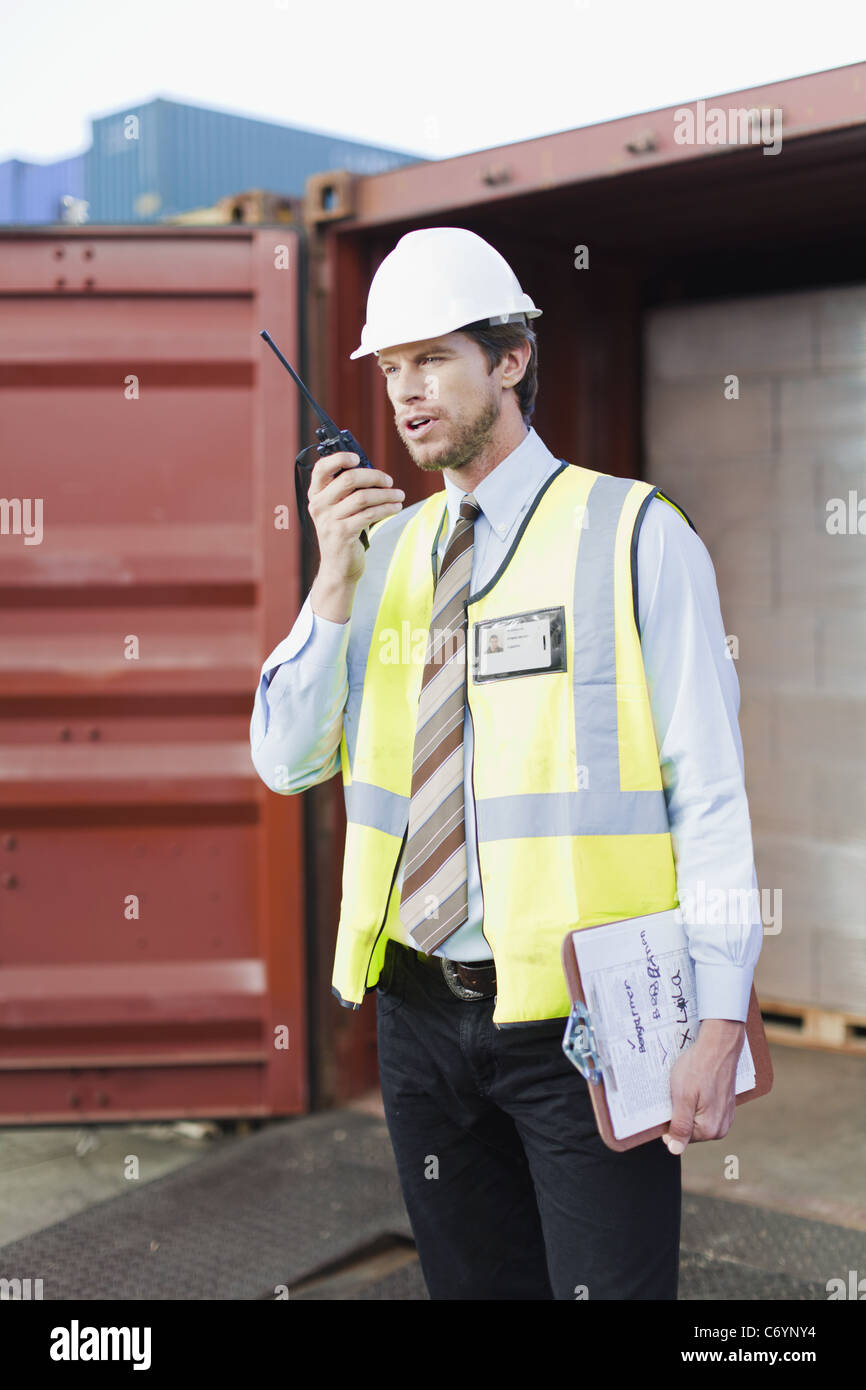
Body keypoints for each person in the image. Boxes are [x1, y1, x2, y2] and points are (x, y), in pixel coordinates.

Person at [249, 227, 764, 1300]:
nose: (405, 393)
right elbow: (285, 761)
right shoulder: (379, 558)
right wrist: (329, 585)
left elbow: (707, 792)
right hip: (417, 1019)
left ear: (511, 359)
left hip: (584, 1024)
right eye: (389, 371)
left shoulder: (631, 534)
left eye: (432, 358)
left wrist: (719, 1020)